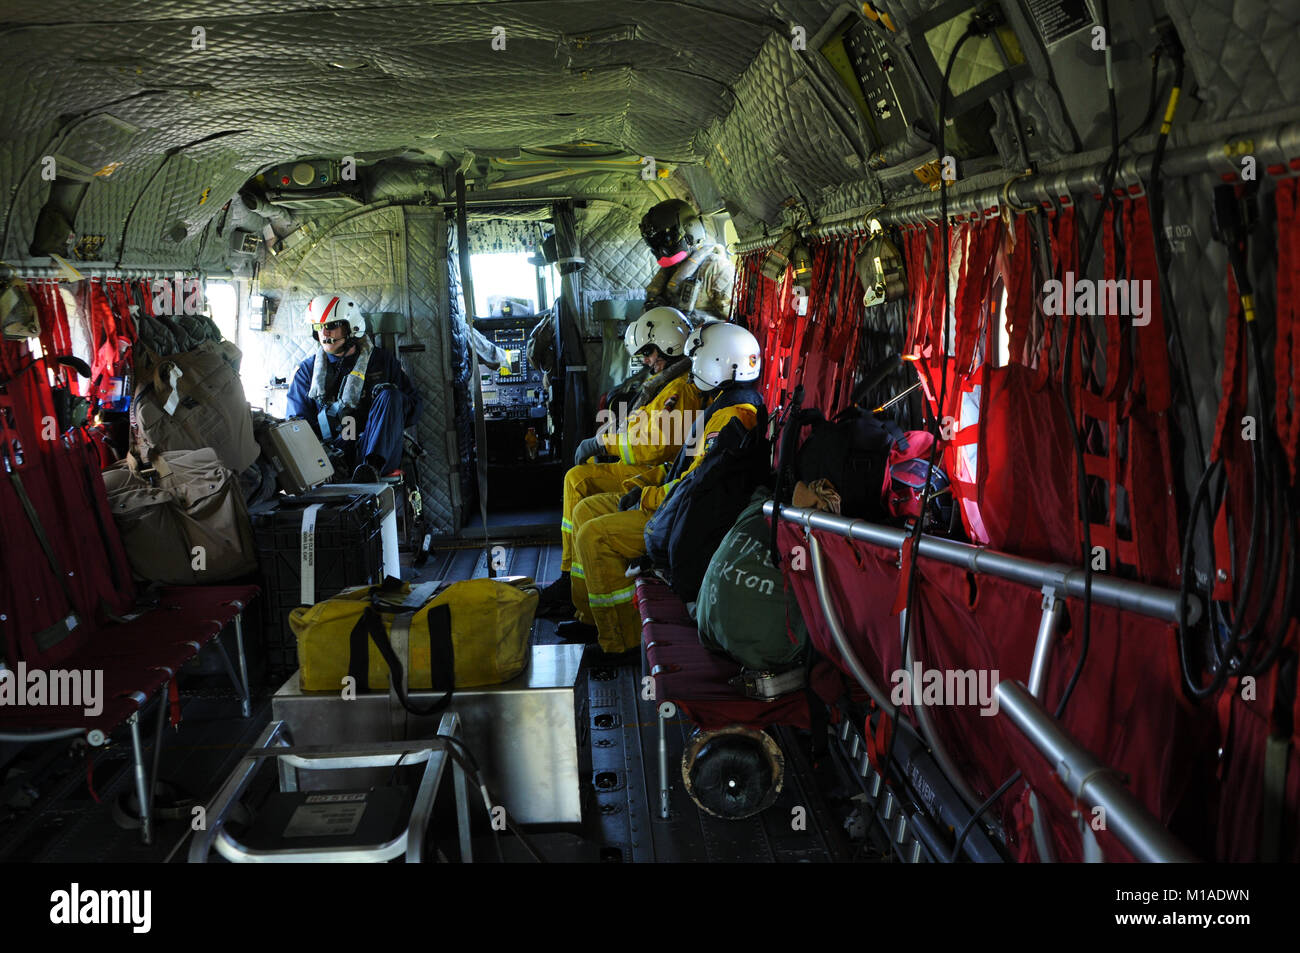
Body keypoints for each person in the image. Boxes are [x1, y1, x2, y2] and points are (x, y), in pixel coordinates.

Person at [562, 322, 765, 654]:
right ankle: (593, 618)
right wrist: (647, 484)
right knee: (585, 510)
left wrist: (645, 495)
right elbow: (686, 472)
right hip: (677, 503)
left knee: (592, 535)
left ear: (716, 361)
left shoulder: (731, 418)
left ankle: (621, 642)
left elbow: (694, 488)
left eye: (698, 356)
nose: (693, 364)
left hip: (686, 520)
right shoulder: (724, 405)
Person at [539, 307, 701, 615]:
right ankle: (574, 588)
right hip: (648, 469)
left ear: (669, 344)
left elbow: (652, 445)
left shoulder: (679, 391)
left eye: (650, 352)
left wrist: (602, 444)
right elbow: (638, 427)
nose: (646, 360)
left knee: (578, 479)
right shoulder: (664, 384)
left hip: (653, 474)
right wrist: (606, 438)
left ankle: (574, 589)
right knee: (576, 478)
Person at [285, 294, 422, 481]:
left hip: (376, 454)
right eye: (318, 327)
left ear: (352, 326)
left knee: (390, 395)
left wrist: (390, 402)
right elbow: (296, 426)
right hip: (330, 459)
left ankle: (370, 470)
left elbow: (415, 409)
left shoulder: (382, 362)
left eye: (332, 326)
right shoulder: (307, 373)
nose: (324, 334)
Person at [640, 199, 735, 324]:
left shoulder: (716, 267)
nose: (662, 249)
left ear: (691, 229)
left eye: (668, 239)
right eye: (656, 242)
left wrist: (694, 320)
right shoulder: (672, 267)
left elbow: (733, 319)